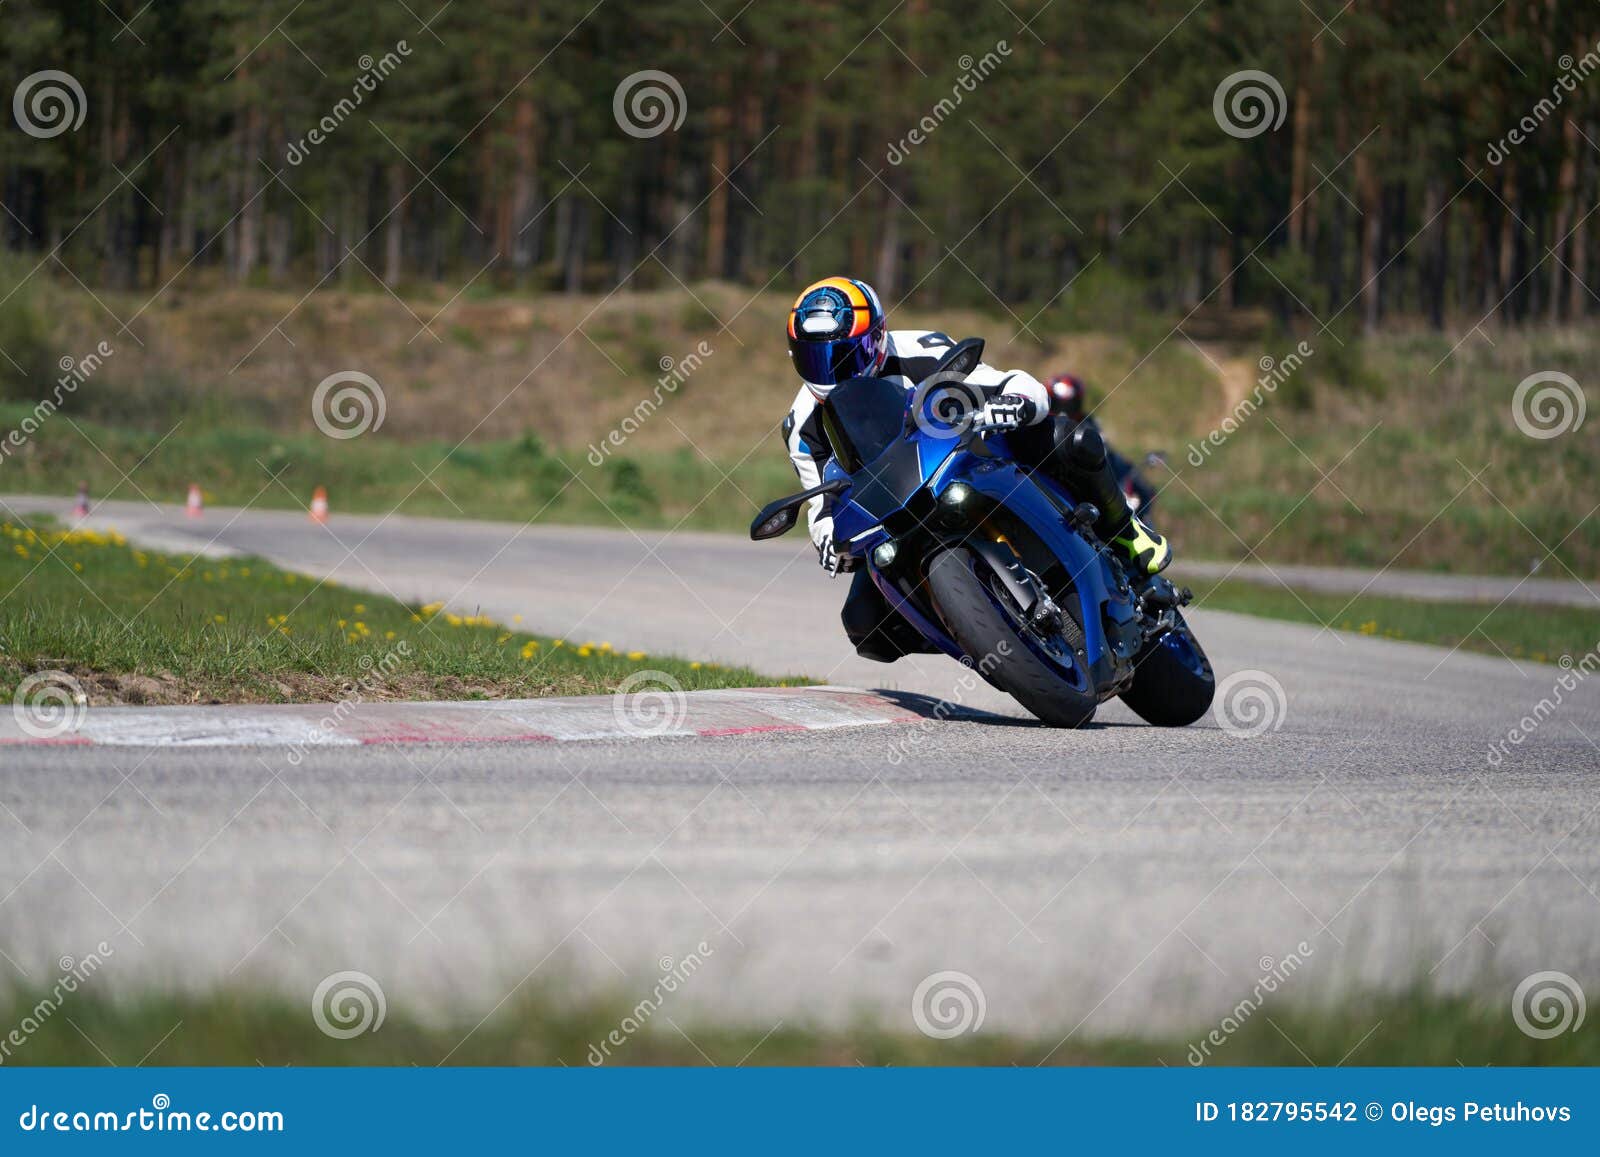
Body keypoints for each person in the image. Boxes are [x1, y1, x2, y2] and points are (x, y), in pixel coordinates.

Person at [780, 275, 1170, 662]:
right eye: (815, 359)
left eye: (843, 356)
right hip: (895, 513)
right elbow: (822, 507)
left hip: (968, 461)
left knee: (1068, 439)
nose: (831, 371)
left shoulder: (920, 348)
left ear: (877, 338)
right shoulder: (801, 425)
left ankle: (1127, 533)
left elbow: (1013, 383)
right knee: (865, 627)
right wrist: (829, 539)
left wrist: (1012, 402)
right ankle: (973, 631)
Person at [1045, 372, 1156, 515]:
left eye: (1069, 406)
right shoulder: (1038, 422)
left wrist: (1120, 492)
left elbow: (1107, 459)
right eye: (1058, 404)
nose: (1063, 412)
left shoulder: (1089, 428)